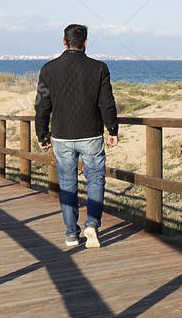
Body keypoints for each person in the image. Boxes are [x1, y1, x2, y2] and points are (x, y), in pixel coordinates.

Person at [34, 24, 119, 248]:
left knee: (68, 183)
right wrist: (113, 130)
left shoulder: (48, 69)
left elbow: (42, 105)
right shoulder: (99, 68)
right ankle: (92, 224)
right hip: (91, 133)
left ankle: (72, 233)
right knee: (95, 180)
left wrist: (42, 134)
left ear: (64, 41)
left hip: (61, 136)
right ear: (85, 43)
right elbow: (106, 103)